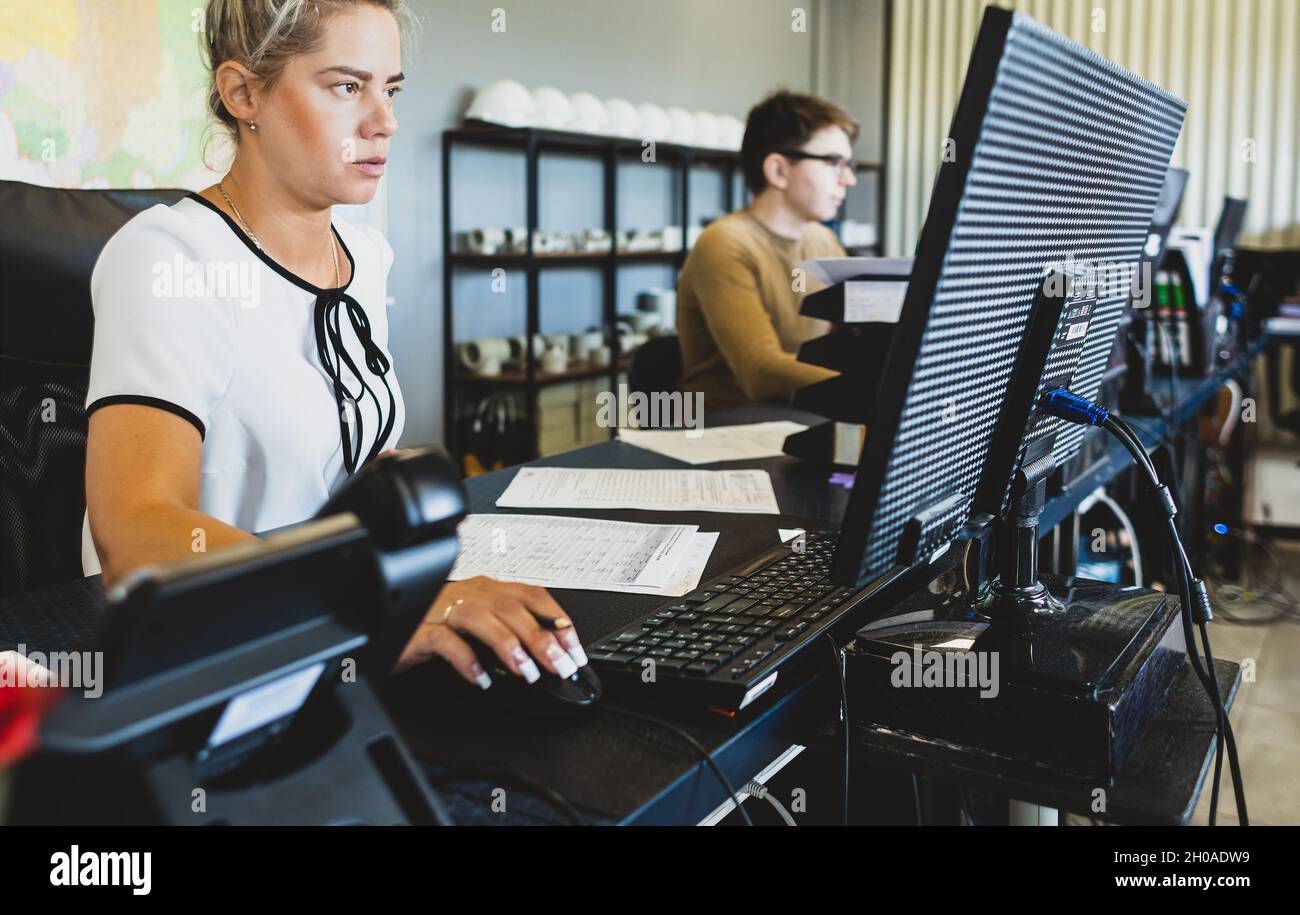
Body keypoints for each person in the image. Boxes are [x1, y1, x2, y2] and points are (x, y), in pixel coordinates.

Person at [81, 0, 587, 692]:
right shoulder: (168, 258)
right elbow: (137, 536)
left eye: (391, 88)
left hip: (330, 641)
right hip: (205, 658)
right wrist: (369, 596)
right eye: (347, 86)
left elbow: (332, 467)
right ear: (243, 94)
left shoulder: (365, 255)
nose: (385, 121)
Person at [677, 90, 859, 412]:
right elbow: (760, 372)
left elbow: (858, 327)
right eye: (833, 162)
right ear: (778, 171)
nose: (849, 179)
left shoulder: (822, 240)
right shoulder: (725, 243)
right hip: (727, 434)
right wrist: (874, 386)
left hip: (802, 416)